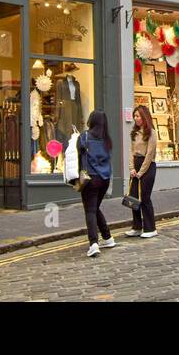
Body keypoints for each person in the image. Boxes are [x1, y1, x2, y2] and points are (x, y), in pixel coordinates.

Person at [78, 110, 116, 257]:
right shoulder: (107, 140)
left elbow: (77, 154)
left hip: (90, 179)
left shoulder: (85, 136)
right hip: (105, 179)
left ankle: (93, 243)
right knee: (94, 208)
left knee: (90, 210)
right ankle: (107, 238)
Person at [126, 104, 158, 239]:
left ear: (144, 117)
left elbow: (150, 154)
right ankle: (137, 227)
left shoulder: (151, 132)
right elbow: (131, 152)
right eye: (134, 116)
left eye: (138, 116)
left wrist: (141, 172)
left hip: (148, 166)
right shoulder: (134, 133)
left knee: (144, 198)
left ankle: (150, 228)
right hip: (136, 166)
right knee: (133, 198)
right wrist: (132, 168)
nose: (135, 118)